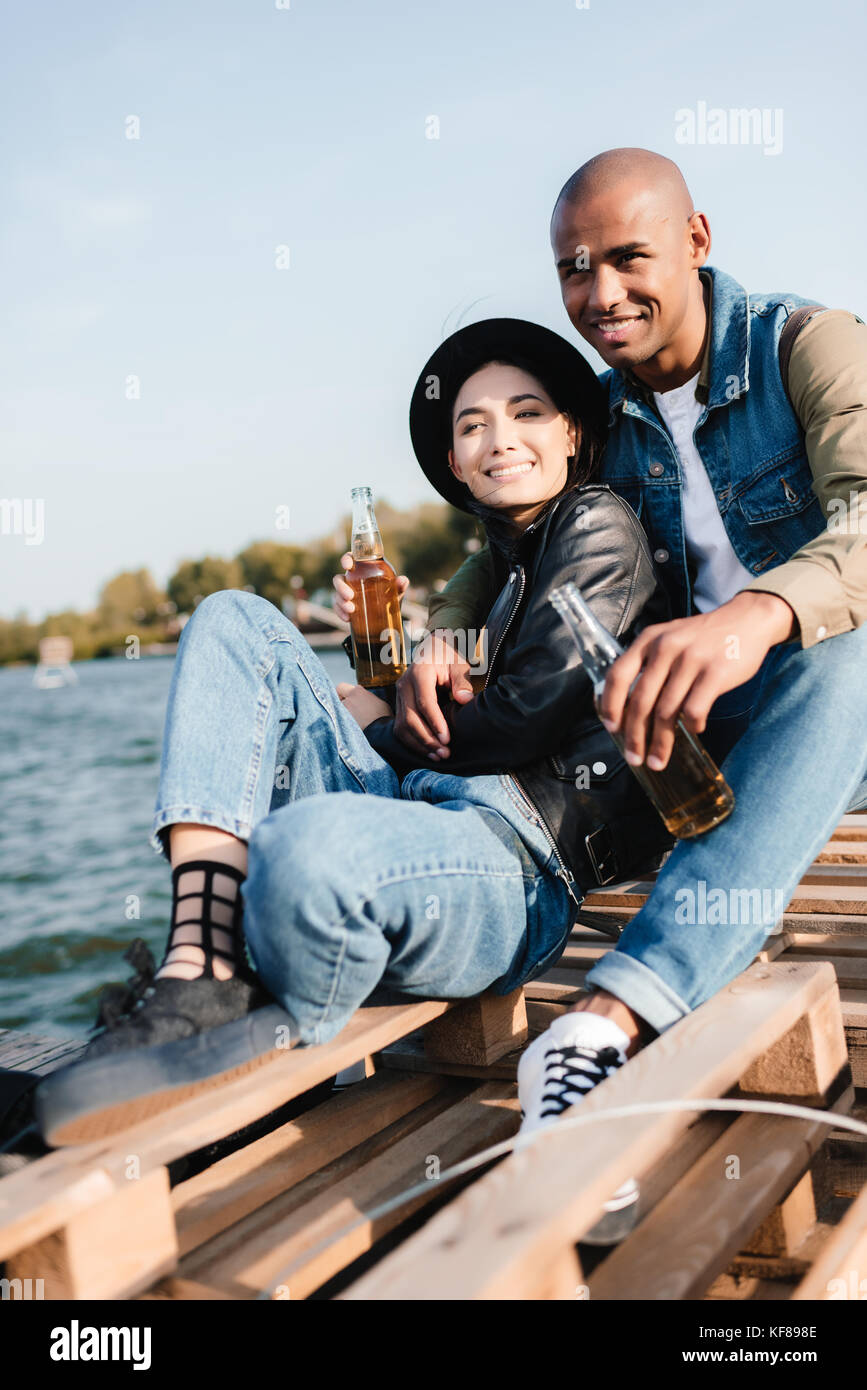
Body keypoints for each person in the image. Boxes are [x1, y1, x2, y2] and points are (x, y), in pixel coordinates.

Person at [35, 318, 673, 1244]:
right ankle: (198, 964)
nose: (499, 438)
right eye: (471, 425)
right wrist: (377, 692)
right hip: (417, 813)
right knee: (236, 620)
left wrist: (381, 726)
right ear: (455, 462)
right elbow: (437, 711)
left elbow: (522, 720)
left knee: (299, 852)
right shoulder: (498, 565)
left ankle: (268, 978)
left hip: (511, 857)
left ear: (572, 432)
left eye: (527, 413)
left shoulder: (598, 527)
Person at [381, 147, 867, 1057]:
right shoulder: (597, 420)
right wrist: (441, 640)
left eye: (626, 258)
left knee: (850, 654)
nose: (599, 293)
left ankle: (618, 1011)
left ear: (695, 240)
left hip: (837, 710)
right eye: (573, 268)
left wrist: (754, 618)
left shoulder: (807, 344)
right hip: (685, 736)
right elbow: (493, 559)